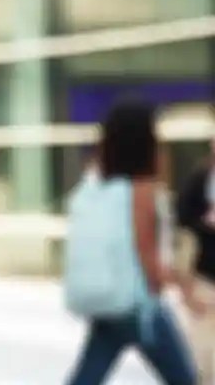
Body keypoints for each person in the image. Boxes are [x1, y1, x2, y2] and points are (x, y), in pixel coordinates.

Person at [67, 101, 198, 384]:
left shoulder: (97, 185)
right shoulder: (141, 192)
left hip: (111, 305)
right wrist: (181, 286)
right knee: (184, 380)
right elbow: (147, 256)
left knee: (86, 378)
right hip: (139, 309)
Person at [175, 133, 215, 381]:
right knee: (204, 359)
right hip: (204, 281)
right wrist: (186, 288)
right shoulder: (199, 181)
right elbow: (184, 229)